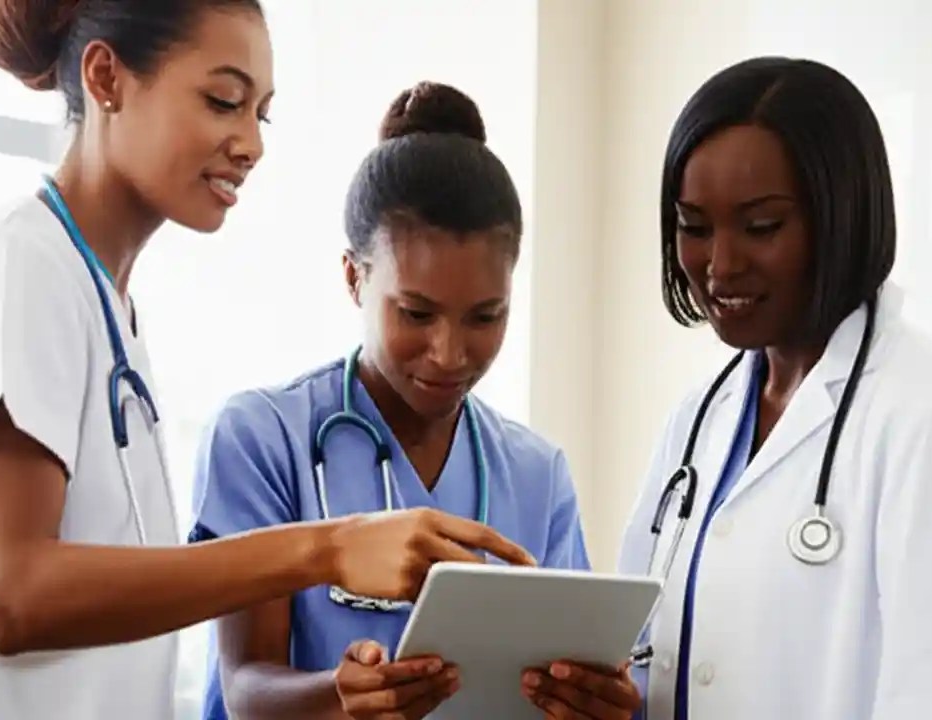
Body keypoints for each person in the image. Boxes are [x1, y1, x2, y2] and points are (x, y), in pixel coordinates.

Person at [0, 4, 534, 719]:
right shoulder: (10, 267)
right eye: (223, 101)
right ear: (106, 78)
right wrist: (328, 549)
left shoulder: (106, 308)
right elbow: (13, 597)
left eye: (261, 115)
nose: (250, 144)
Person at [188, 81, 642, 720]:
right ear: (355, 277)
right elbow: (245, 690)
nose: (449, 353)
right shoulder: (264, 437)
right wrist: (342, 698)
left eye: (485, 317)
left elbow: (559, 676)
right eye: (417, 313)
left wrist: (596, 702)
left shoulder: (537, 474)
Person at [616, 56, 932, 720]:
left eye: (760, 227)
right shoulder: (700, 418)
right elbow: (654, 656)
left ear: (840, 217)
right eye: (694, 227)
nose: (719, 265)